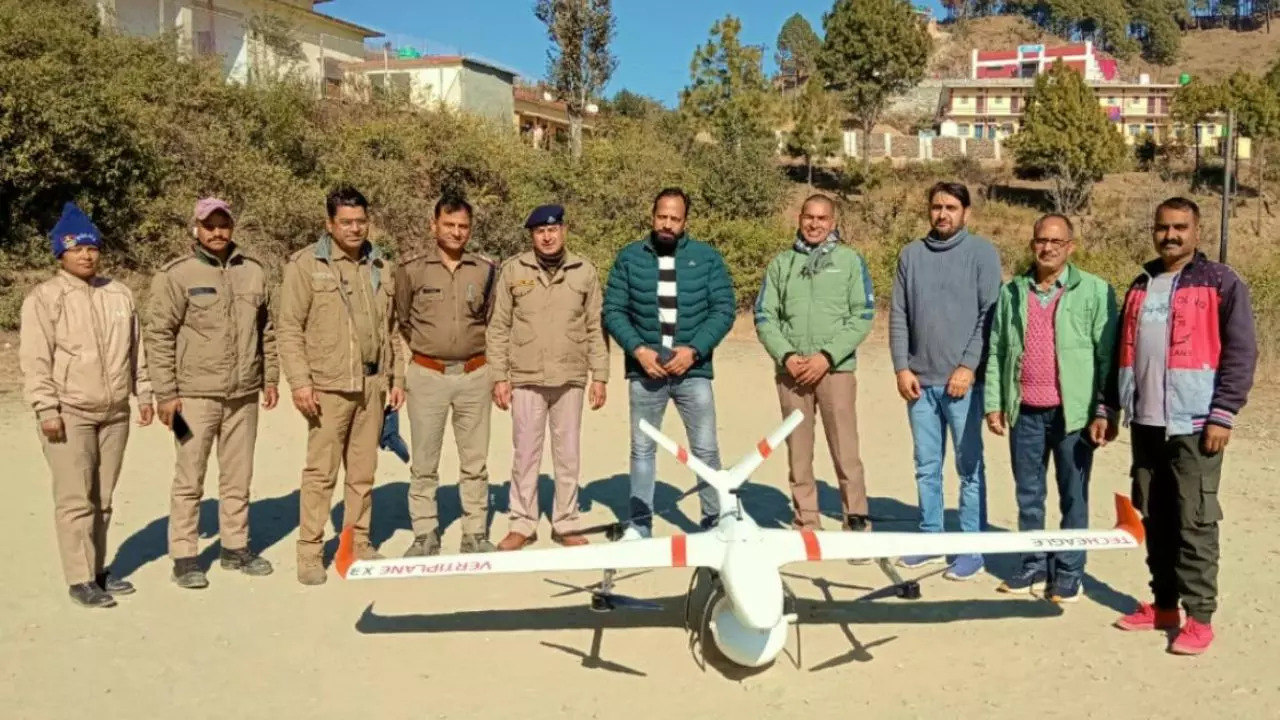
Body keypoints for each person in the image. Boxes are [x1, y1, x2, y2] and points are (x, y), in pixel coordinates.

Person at [1106, 197, 1257, 656]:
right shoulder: (1141, 284)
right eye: (1162, 227)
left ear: (1197, 231)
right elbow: (1121, 352)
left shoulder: (1220, 282)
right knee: (1156, 515)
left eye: (1179, 227)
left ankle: (1200, 616)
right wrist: (1107, 407)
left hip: (1195, 424)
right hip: (1147, 423)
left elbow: (1241, 352)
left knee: (1195, 520)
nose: (1170, 235)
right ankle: (1165, 604)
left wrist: (1222, 414)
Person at [19, 202, 155, 608]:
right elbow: (35, 359)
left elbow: (137, 350)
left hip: (114, 412)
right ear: (60, 253)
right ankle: (79, 578)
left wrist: (143, 391)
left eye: (92, 247)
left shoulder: (119, 294)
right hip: (69, 412)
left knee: (104, 496)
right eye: (76, 248)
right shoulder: (44, 298)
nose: (86, 254)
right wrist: (47, 409)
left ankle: (98, 570)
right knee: (76, 498)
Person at [143, 197, 280, 589]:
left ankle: (235, 547)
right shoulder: (176, 275)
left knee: (238, 476)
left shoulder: (253, 272)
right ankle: (185, 556)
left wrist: (270, 378)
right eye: (209, 225)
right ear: (196, 229)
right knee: (189, 476)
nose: (217, 232)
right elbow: (159, 335)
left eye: (223, 225)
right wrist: (166, 394)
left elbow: (266, 331)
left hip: (243, 397)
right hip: (190, 400)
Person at [984, 213, 1118, 603]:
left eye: (1056, 242)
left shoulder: (1093, 291)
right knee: (1028, 493)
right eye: (1041, 240)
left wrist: (1103, 411)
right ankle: (1032, 563)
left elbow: (1106, 357)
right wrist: (994, 402)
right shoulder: (1012, 292)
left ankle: (1069, 571)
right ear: (1032, 244)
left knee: (1073, 494)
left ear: (1070, 247)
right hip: (1024, 410)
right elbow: (997, 351)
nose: (1047, 248)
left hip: (1072, 415)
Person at [277, 186, 405, 585]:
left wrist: (396, 377)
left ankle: (358, 542)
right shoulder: (306, 266)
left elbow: (392, 329)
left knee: (363, 473)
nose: (354, 228)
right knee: (321, 473)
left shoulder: (381, 265)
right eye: (346, 222)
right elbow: (288, 328)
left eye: (360, 221)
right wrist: (299, 382)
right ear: (329, 224)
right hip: (328, 386)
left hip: (372, 384)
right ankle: (310, 551)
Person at [602, 187, 736, 539]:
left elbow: (723, 310)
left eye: (675, 218)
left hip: (693, 372)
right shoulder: (629, 258)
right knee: (642, 449)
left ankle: (713, 519)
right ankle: (640, 523)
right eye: (662, 216)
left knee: (705, 447)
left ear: (685, 222)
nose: (667, 224)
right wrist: (638, 351)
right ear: (652, 216)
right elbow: (613, 311)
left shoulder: (707, 259)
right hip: (645, 372)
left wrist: (693, 351)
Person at [890, 181, 1002, 580]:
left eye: (951, 207)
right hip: (919, 382)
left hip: (962, 385)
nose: (942, 214)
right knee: (926, 465)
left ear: (966, 212)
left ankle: (972, 548)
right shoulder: (911, 255)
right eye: (936, 206)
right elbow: (899, 314)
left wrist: (968, 366)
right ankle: (930, 538)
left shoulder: (982, 254)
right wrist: (901, 367)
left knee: (969, 466)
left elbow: (989, 314)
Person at [487, 204, 610, 550]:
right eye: (540, 230)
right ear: (532, 235)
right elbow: (499, 327)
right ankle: (522, 523)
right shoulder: (513, 270)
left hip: (570, 376)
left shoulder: (584, 271)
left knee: (567, 453)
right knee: (525, 454)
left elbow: (595, 327)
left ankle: (566, 521)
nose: (547, 236)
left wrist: (599, 375)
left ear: (564, 231)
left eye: (553, 229)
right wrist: (500, 376)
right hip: (525, 377)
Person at [753, 193, 875, 540]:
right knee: (799, 452)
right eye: (809, 217)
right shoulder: (781, 264)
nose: (815, 224)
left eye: (822, 218)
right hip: (792, 373)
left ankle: (856, 517)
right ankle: (806, 520)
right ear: (799, 218)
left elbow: (863, 315)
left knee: (845, 448)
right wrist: (787, 356)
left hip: (834, 370)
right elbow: (764, 316)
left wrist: (827, 356)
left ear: (833, 222)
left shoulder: (850, 261)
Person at [393, 195, 498, 556]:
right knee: (424, 461)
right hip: (427, 375)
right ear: (433, 224)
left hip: (474, 374)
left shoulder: (485, 269)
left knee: (475, 461)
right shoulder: (411, 269)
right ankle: (425, 533)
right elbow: (403, 319)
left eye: (463, 226)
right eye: (449, 225)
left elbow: (490, 318)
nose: (456, 232)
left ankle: (475, 531)